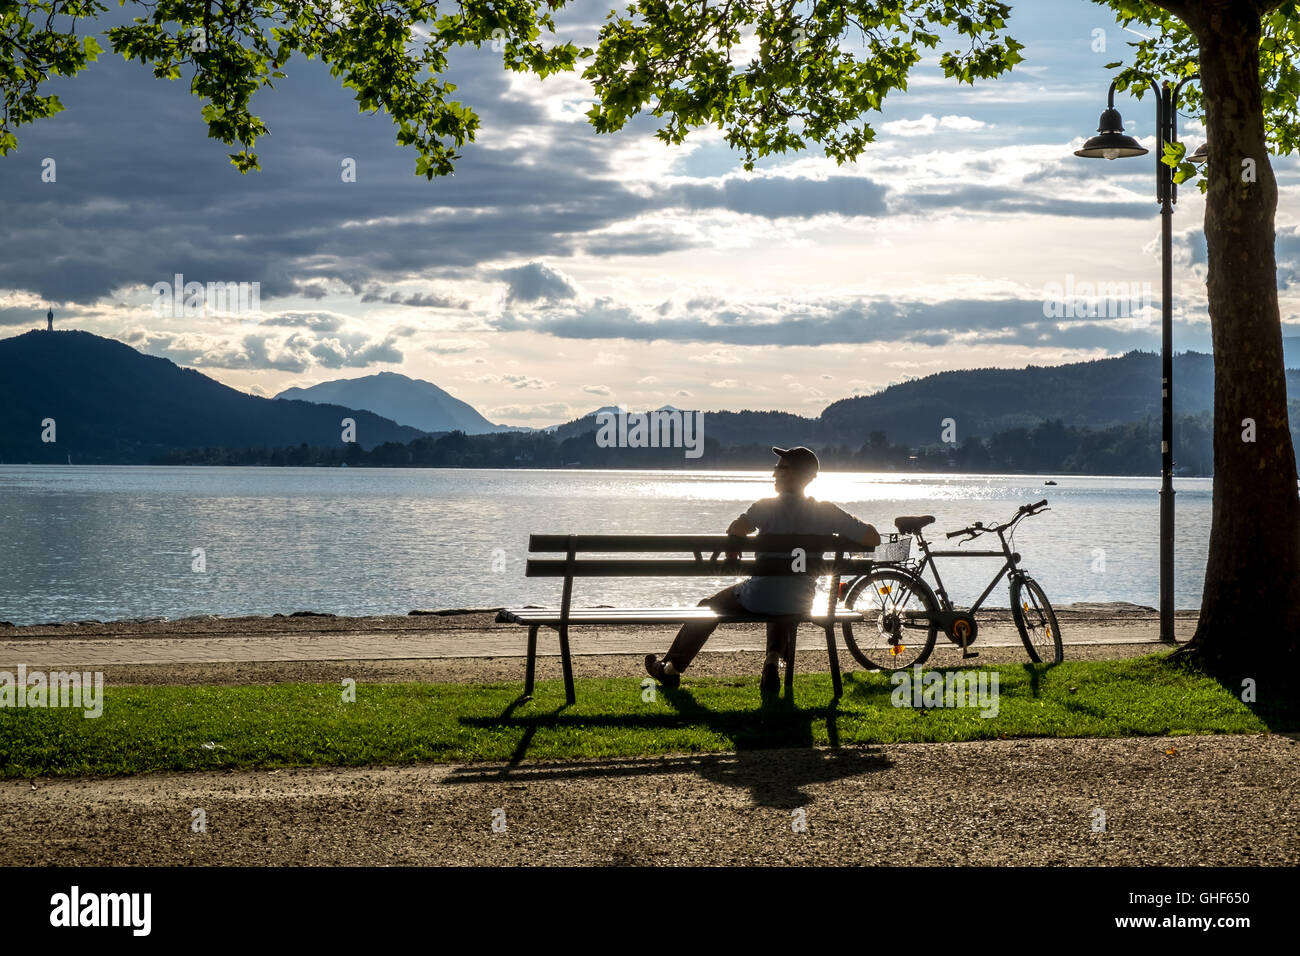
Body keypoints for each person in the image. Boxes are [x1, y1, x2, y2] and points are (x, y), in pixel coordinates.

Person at [644, 446, 881, 692]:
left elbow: (737, 529)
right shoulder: (827, 511)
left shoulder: (765, 507)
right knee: (784, 598)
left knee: (710, 606)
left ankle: (670, 668)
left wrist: (734, 542)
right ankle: (772, 661)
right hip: (802, 601)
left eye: (781, 468)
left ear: (796, 474)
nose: (774, 473)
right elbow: (873, 537)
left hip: (758, 597)